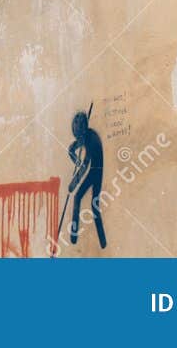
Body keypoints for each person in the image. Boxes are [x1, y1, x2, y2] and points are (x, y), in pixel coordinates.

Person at [64, 105, 107, 249]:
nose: (78, 139)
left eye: (79, 136)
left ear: (83, 131)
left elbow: (85, 166)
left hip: (97, 173)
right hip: (93, 170)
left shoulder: (92, 139)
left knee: (94, 207)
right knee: (78, 199)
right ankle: (74, 238)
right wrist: (75, 159)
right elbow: (71, 149)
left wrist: (74, 183)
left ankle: (102, 243)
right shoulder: (85, 137)